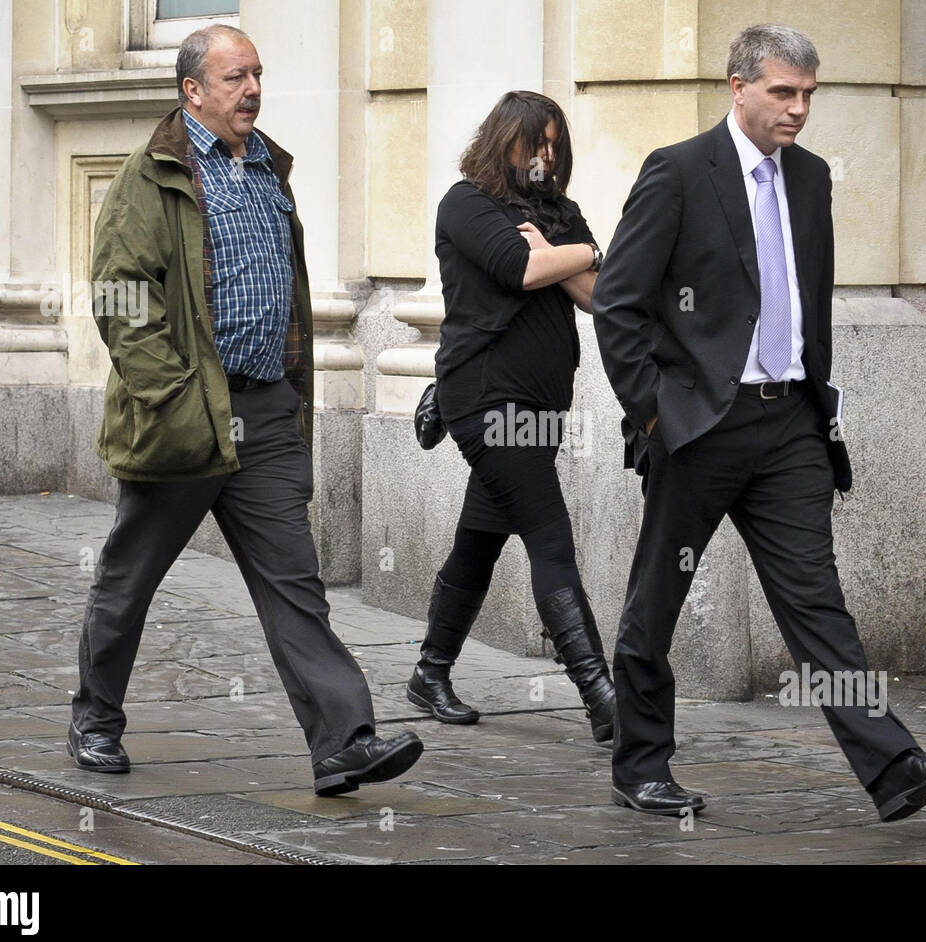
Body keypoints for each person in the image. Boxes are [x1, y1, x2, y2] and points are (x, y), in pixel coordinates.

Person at [591, 24, 926, 817]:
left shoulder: (811, 178)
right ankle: (641, 766)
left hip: (791, 422)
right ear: (738, 87)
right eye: (783, 93)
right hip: (699, 426)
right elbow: (619, 302)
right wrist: (654, 413)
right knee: (656, 601)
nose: (798, 110)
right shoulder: (678, 173)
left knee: (816, 600)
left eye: (807, 95)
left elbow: (808, 300)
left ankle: (893, 765)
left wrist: (816, 396)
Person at [72, 24, 422, 797]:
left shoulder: (268, 170)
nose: (253, 90)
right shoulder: (151, 175)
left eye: (258, 74)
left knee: (294, 581)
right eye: (236, 78)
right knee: (130, 576)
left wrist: (293, 390)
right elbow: (121, 295)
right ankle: (96, 714)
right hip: (184, 412)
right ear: (193, 90)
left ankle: (342, 742)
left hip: (263, 412)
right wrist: (168, 393)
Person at [404, 91, 615, 742]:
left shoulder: (559, 211)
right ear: (505, 141)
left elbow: (600, 298)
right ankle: (605, 700)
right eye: (535, 142)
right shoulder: (467, 204)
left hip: (542, 404)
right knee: (550, 536)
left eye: (554, 143)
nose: (546, 156)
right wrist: (581, 252)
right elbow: (519, 267)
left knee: (480, 536)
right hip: (487, 398)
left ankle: (429, 672)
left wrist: (578, 254)